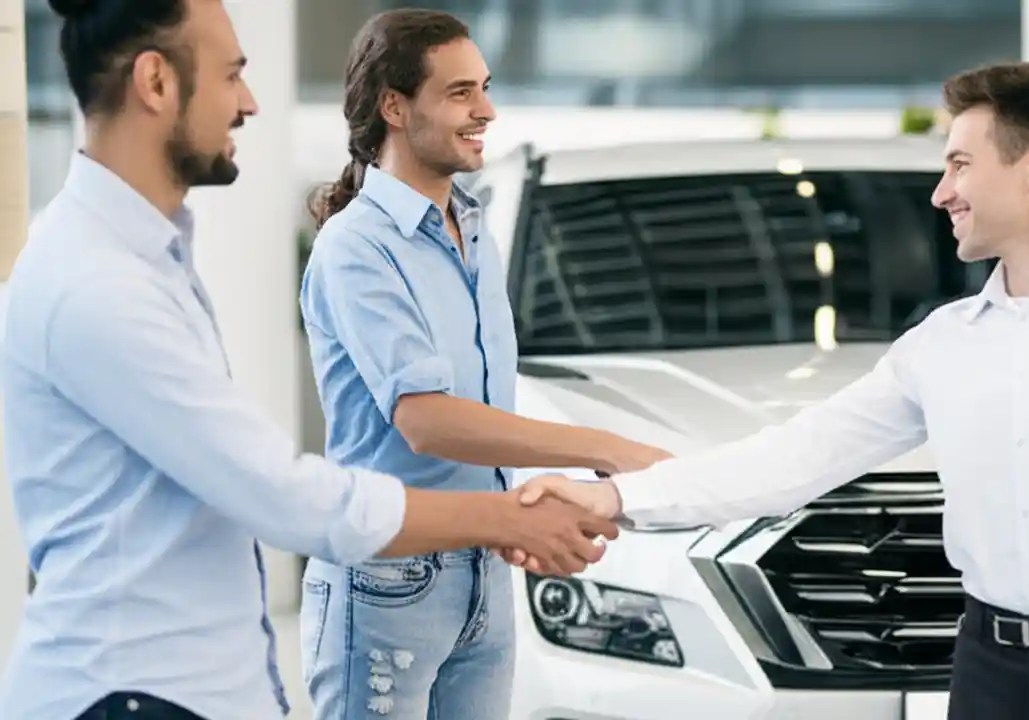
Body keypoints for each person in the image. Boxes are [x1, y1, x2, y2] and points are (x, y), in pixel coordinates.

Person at [517, 63, 1029, 720]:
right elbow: (793, 458)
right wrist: (615, 499)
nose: (942, 192)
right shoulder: (944, 345)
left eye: (960, 165)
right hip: (983, 671)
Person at [0, 2, 616, 719]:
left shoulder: (144, 259)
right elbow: (281, 493)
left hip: (180, 688)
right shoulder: (96, 283)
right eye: (232, 75)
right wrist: (509, 518)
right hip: (130, 696)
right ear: (156, 83)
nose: (251, 102)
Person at [297, 9, 671, 719]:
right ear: (395, 107)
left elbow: (484, 413)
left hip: (485, 568)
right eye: (461, 92)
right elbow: (428, 422)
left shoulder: (471, 225)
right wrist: (607, 448)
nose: (486, 111)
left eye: (486, 88)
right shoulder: (357, 247)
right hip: (387, 582)